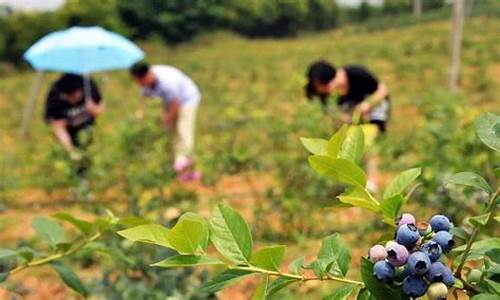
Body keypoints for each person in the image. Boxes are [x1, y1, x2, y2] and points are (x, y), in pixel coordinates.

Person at [305, 60, 390, 191]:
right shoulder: (326, 95)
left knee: (368, 142)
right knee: (350, 144)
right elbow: (332, 114)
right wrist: (341, 119)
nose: (325, 91)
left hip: (375, 109)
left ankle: (372, 180)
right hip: (353, 117)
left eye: (325, 87)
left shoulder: (356, 74)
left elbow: (382, 90)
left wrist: (368, 104)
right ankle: (355, 179)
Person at [130, 62, 201, 182]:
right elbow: (144, 98)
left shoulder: (167, 83)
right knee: (172, 134)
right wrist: (141, 114)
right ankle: (179, 165)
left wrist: (166, 120)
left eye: (140, 81)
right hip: (170, 103)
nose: (139, 84)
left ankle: (186, 166)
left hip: (186, 99)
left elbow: (175, 105)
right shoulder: (145, 82)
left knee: (183, 131)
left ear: (146, 76)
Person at [45, 73, 105, 174]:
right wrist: (71, 151)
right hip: (69, 135)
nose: (72, 100)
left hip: (90, 130)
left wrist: (94, 109)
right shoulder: (54, 97)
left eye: (75, 96)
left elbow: (102, 108)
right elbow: (58, 127)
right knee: (74, 166)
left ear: (80, 91)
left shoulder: (89, 86)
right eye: (69, 97)